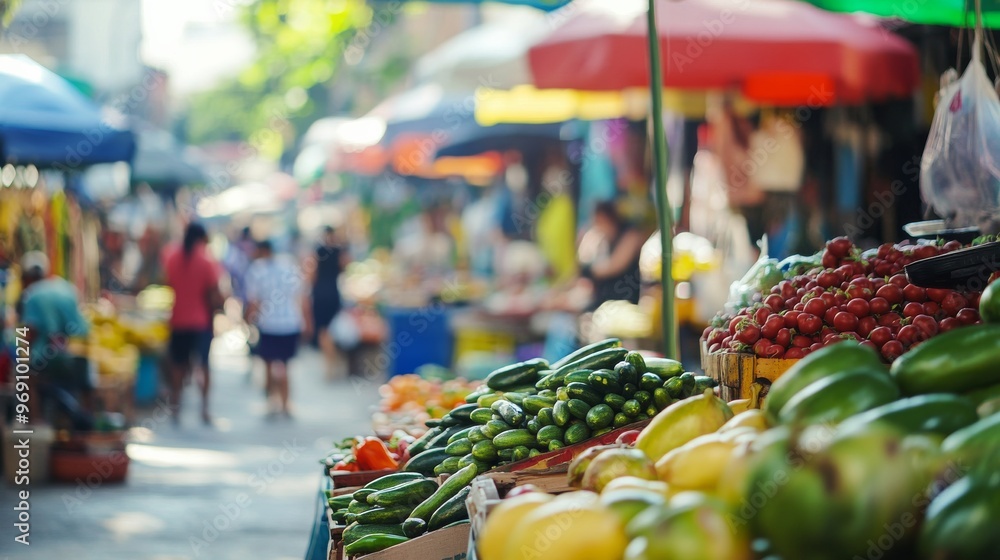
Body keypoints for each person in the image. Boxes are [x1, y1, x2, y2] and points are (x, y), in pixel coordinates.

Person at [18, 251, 93, 429]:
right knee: (85, 384)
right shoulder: (65, 287)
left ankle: (37, 424)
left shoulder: (31, 294)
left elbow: (29, 333)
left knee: (27, 377)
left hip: (52, 358)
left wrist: (21, 359)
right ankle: (86, 426)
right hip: (78, 354)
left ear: (27, 278)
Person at [244, 240, 312, 419]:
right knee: (285, 365)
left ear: (261, 250)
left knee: (268, 365)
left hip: (268, 324)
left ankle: (271, 402)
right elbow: (302, 296)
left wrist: (248, 320)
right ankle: (286, 404)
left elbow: (254, 301)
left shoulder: (257, 270)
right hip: (289, 323)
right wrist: (307, 321)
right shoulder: (289, 266)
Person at [162, 222, 222, 426]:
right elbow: (214, 294)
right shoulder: (206, 260)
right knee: (203, 366)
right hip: (200, 322)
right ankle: (204, 409)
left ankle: (175, 408)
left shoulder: (171, 255)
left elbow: (167, 282)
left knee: (177, 365)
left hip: (178, 319)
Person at [578, 201, 645, 310]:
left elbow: (613, 266)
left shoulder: (630, 234)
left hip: (625, 300)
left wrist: (588, 268)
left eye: (600, 220)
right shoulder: (603, 239)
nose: (597, 225)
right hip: (604, 300)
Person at [309, 226, 349, 380]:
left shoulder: (318, 251)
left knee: (323, 330)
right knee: (332, 329)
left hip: (320, 293)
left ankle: (329, 363)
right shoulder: (339, 251)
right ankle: (332, 362)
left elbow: (312, 273)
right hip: (333, 293)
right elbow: (345, 266)